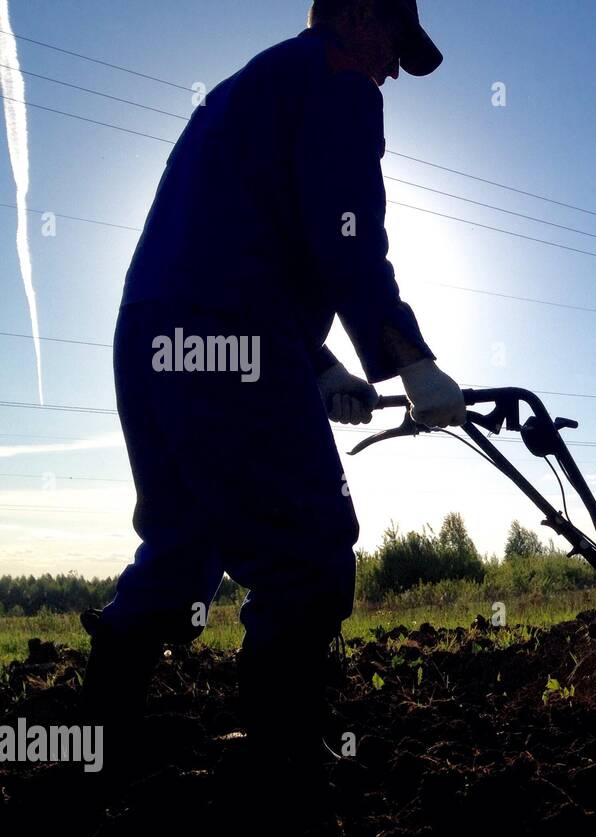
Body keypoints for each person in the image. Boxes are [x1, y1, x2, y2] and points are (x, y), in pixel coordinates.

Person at [82, 0, 464, 793]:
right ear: (358, 15)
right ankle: (279, 775)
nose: (393, 65)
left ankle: (92, 749)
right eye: (394, 41)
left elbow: (238, 243)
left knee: (186, 542)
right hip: (234, 338)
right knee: (307, 550)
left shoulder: (245, 86)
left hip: (152, 332)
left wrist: (320, 368)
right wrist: (411, 360)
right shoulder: (339, 79)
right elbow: (346, 232)